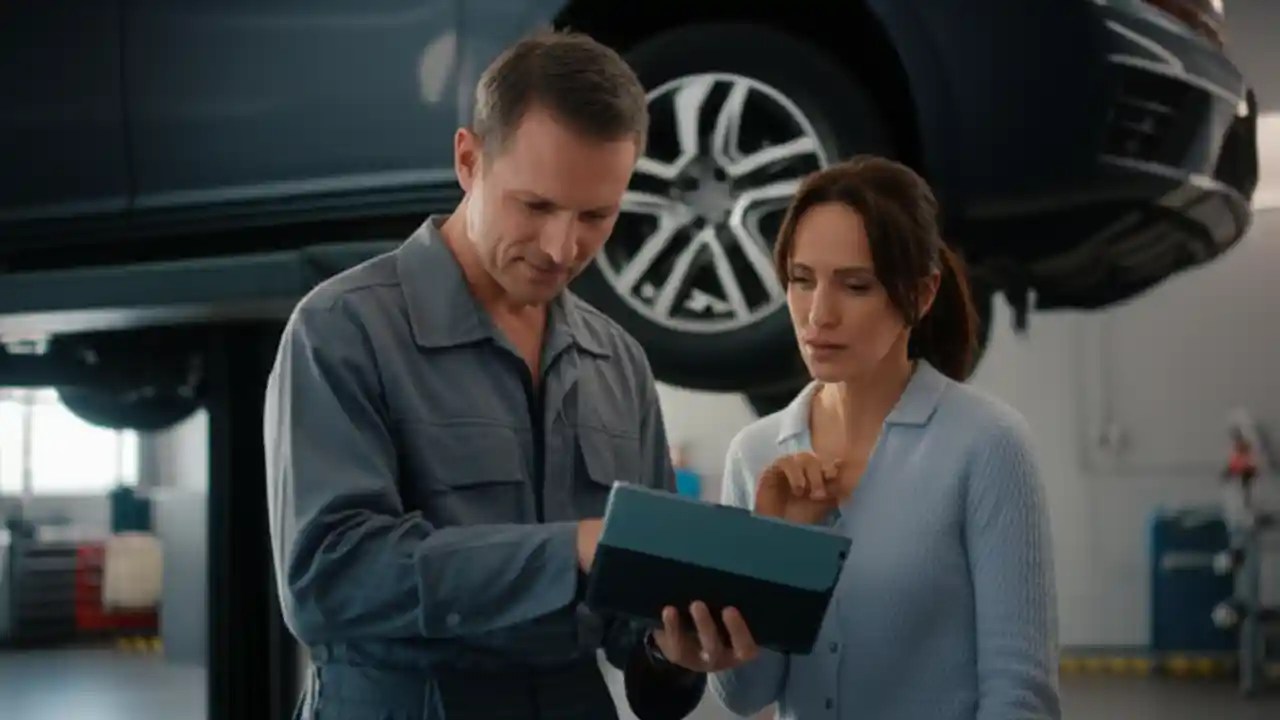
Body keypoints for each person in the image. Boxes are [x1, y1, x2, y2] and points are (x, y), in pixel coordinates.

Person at [263, 30, 758, 720]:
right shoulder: (343, 329)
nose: (563, 248)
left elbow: (635, 649)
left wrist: (676, 656)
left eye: (596, 215)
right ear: (468, 160)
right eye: (537, 206)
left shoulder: (618, 362)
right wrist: (569, 551)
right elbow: (329, 582)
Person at [702, 157, 1061, 719]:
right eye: (801, 280)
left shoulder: (987, 445)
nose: (818, 314)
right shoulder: (755, 453)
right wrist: (776, 553)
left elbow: (1019, 693)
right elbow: (747, 694)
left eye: (856, 285)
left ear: (920, 295)